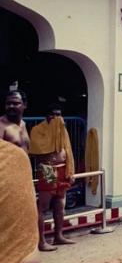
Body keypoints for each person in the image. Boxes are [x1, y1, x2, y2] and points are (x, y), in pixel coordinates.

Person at [29, 104, 76, 251]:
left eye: (59, 115)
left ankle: (58, 236)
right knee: (43, 205)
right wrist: (52, 132)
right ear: (47, 116)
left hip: (63, 169)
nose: (57, 118)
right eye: (54, 115)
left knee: (60, 205)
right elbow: (38, 151)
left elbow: (68, 151)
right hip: (48, 169)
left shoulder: (63, 131)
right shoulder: (37, 130)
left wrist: (70, 171)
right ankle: (41, 241)